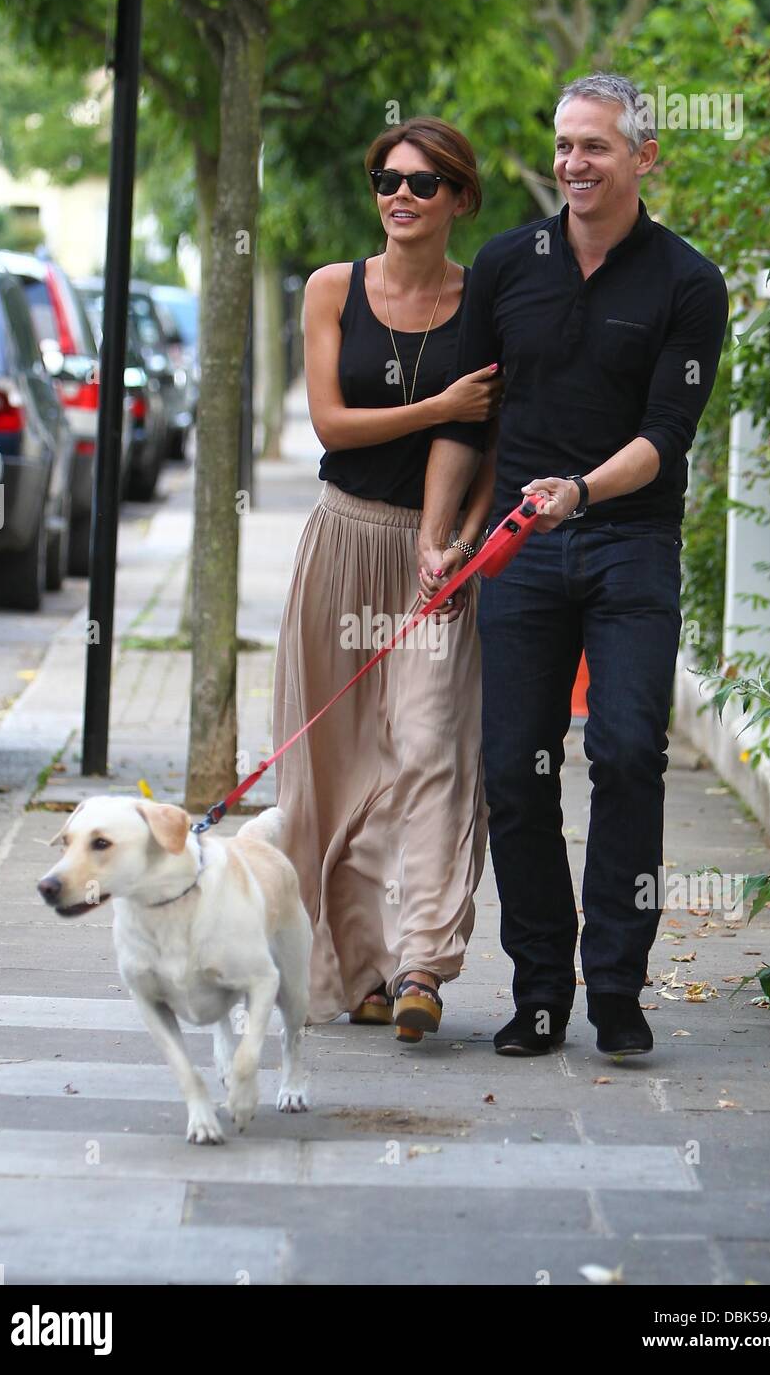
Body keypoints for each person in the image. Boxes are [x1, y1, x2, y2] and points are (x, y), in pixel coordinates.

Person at [418, 74, 729, 1058]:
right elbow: (471, 416)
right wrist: (440, 534)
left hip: (627, 544)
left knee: (629, 751)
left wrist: (580, 493)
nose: (571, 163)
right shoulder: (508, 266)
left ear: (644, 157)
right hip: (519, 551)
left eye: (593, 146)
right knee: (514, 770)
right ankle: (541, 989)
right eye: (562, 145)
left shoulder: (686, 282)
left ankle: (618, 986)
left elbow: (665, 435)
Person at [273, 116, 501, 1042]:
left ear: (459, 199)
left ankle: (422, 963)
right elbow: (330, 424)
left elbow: (493, 441)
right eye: (386, 179)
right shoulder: (334, 290)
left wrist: (469, 540)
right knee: (329, 768)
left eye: (422, 182)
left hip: (433, 552)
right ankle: (355, 970)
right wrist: (438, 404)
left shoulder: (484, 297)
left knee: (430, 749)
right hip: (342, 539)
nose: (399, 195)